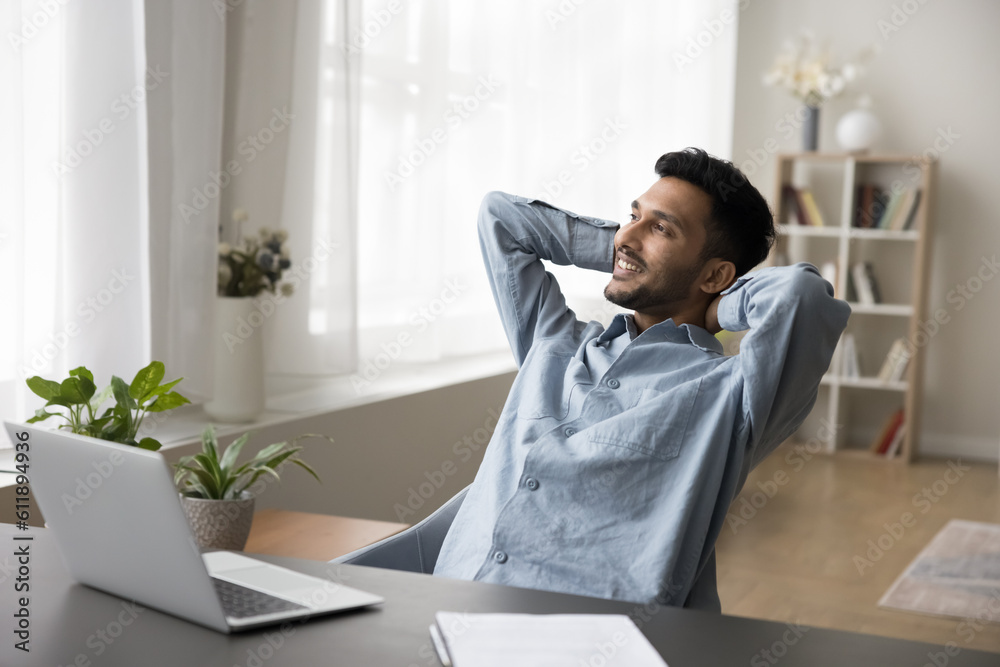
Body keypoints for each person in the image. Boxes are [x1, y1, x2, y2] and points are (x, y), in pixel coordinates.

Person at [432, 147, 851, 611]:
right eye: (631, 216)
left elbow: (803, 297)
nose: (627, 235)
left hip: (588, 640)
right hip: (446, 602)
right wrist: (624, 250)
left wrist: (720, 306)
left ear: (716, 273)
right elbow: (502, 217)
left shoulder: (731, 393)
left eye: (661, 228)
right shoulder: (554, 341)